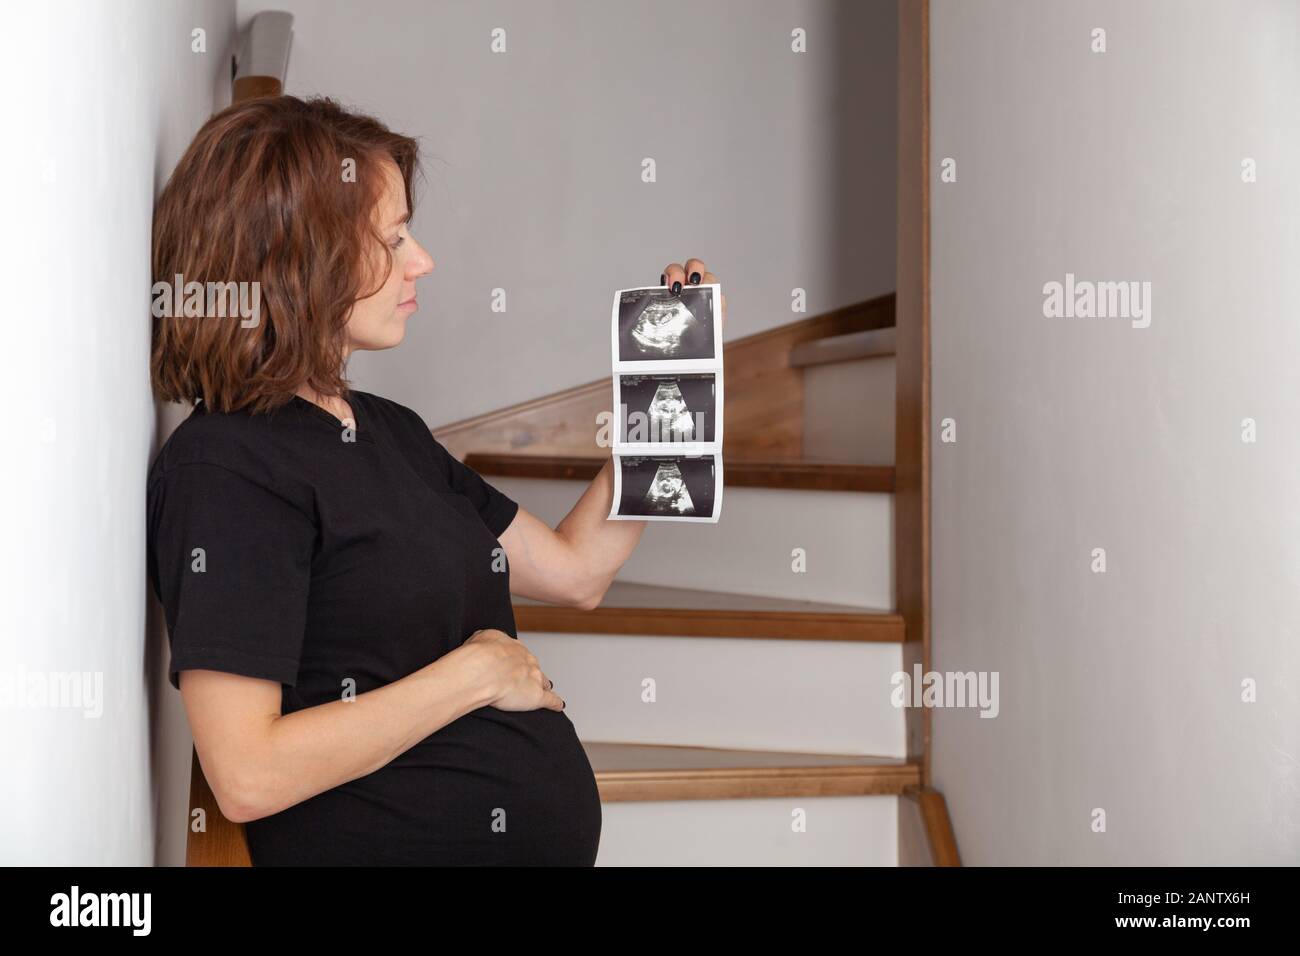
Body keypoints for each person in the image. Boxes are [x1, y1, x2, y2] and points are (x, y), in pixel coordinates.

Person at [146, 94, 724, 865]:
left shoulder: (390, 432)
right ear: (296, 261)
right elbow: (249, 774)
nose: (422, 260)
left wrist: (671, 396)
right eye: (393, 237)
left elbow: (578, 571)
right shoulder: (226, 469)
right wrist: (477, 674)